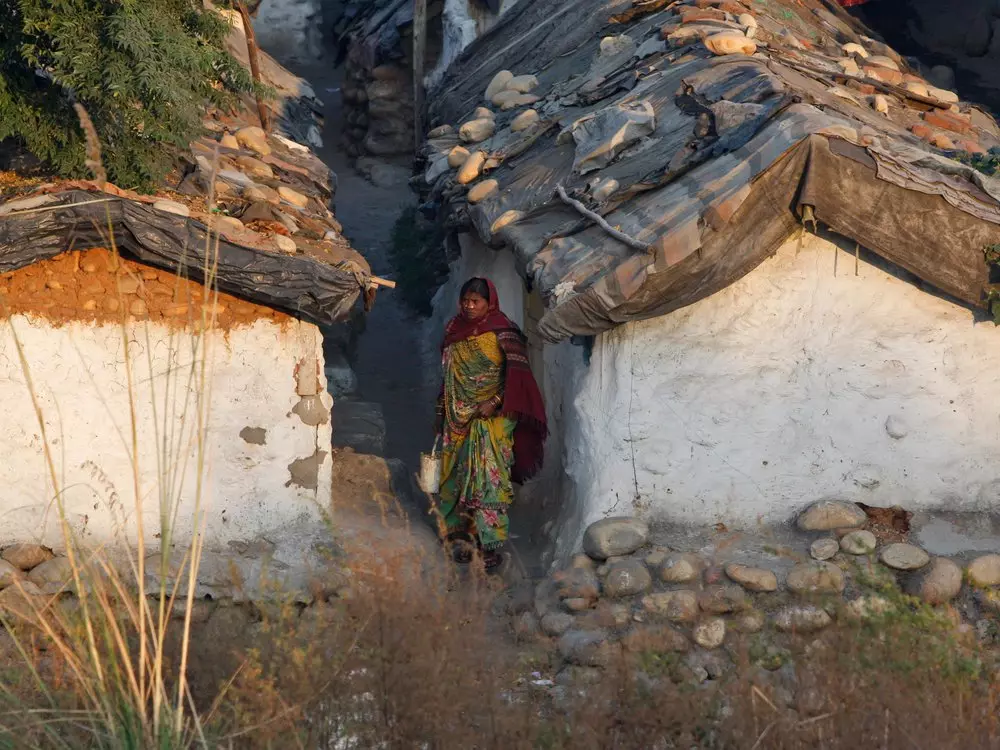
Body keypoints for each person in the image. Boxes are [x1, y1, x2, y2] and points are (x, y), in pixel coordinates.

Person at [434, 277, 547, 570]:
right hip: (456, 416)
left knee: (488, 477)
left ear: (489, 303)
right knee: (454, 473)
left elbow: (519, 379)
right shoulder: (453, 329)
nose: (469, 307)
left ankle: (489, 545)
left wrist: (495, 402)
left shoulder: (504, 333)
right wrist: (441, 409)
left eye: (476, 302)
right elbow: (448, 375)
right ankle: (458, 536)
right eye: (465, 301)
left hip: (492, 419)